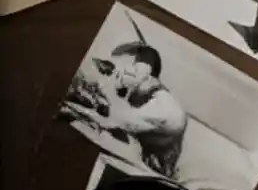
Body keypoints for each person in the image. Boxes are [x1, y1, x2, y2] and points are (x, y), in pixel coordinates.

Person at [70, 42, 189, 178]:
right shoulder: (140, 93)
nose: (115, 73)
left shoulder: (165, 107)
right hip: (136, 165)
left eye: (121, 70)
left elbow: (115, 121)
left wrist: (107, 91)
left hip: (150, 176)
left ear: (142, 70)